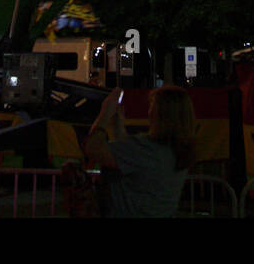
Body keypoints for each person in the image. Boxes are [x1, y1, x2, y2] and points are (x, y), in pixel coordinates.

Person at [84, 85, 196, 218]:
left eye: (152, 108)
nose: (149, 113)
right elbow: (130, 158)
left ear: (159, 114)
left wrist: (105, 112)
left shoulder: (148, 150)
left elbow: (93, 148)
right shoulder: (179, 150)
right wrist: (118, 125)